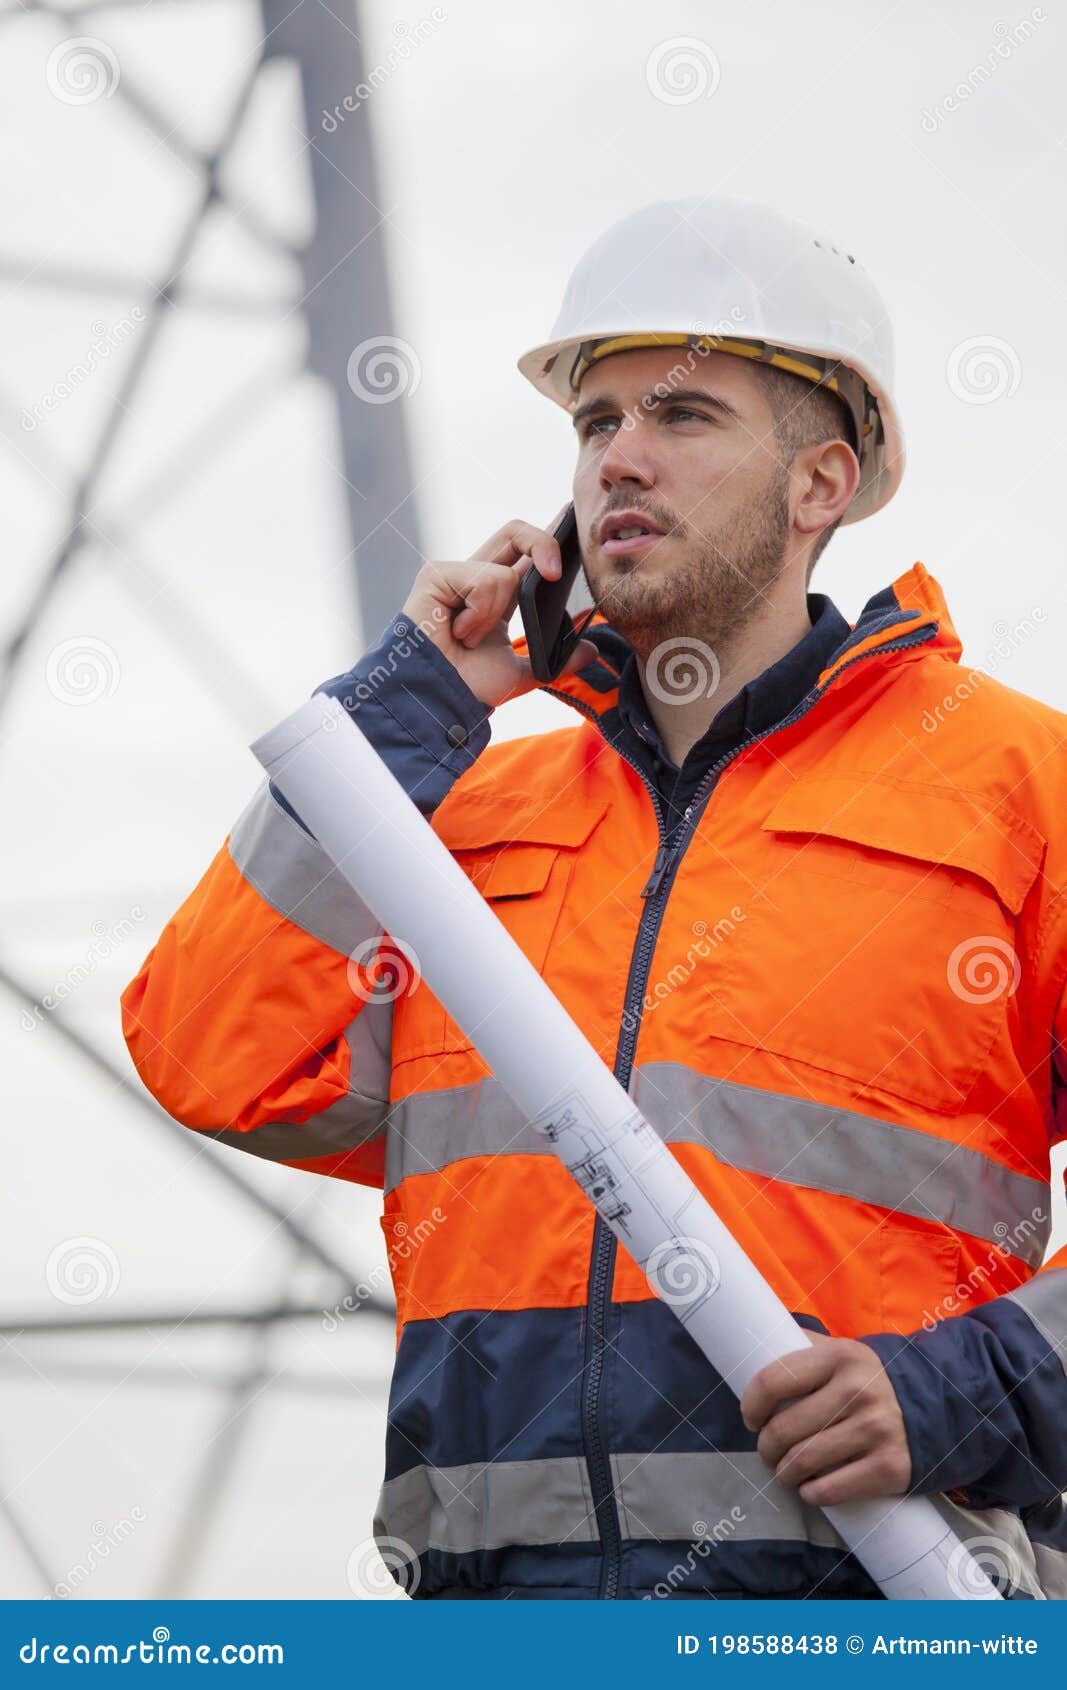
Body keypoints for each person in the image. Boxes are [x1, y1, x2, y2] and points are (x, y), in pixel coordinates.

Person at [121, 195, 1067, 1600]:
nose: (617, 458)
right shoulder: (463, 816)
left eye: (682, 415)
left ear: (822, 482)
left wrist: (964, 1389)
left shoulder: (1015, 785)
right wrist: (404, 713)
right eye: (594, 421)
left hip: (871, 1612)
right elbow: (212, 1055)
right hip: (502, 1626)